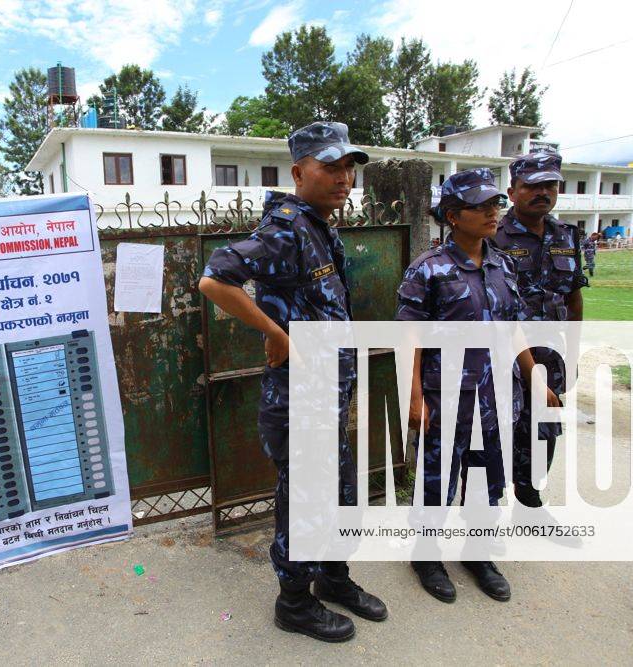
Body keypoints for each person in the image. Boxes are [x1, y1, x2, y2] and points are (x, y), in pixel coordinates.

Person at [198, 122, 387, 643]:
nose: (343, 177)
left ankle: (333, 577)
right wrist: (276, 332)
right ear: (300, 172)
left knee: (339, 494)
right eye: (331, 167)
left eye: (348, 167)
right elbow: (214, 279)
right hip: (298, 402)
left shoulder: (318, 226)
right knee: (306, 501)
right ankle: (294, 603)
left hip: (327, 396)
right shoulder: (286, 228)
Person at [396, 168, 560, 603]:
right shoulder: (427, 270)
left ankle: (477, 553)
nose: (493, 212)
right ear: (452, 216)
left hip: (496, 399)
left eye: (495, 204)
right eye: (480, 206)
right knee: (438, 482)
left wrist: (533, 375)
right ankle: (426, 556)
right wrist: (413, 399)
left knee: (488, 481)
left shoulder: (502, 263)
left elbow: (513, 328)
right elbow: (408, 338)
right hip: (446, 398)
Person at [491, 152, 586, 509]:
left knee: (544, 431)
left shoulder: (566, 235)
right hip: (505, 357)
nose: (541, 192)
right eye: (531, 185)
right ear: (512, 191)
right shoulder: (494, 236)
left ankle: (530, 503)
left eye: (549, 185)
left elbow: (574, 299)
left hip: (552, 354)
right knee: (501, 432)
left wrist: (573, 353)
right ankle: (487, 514)